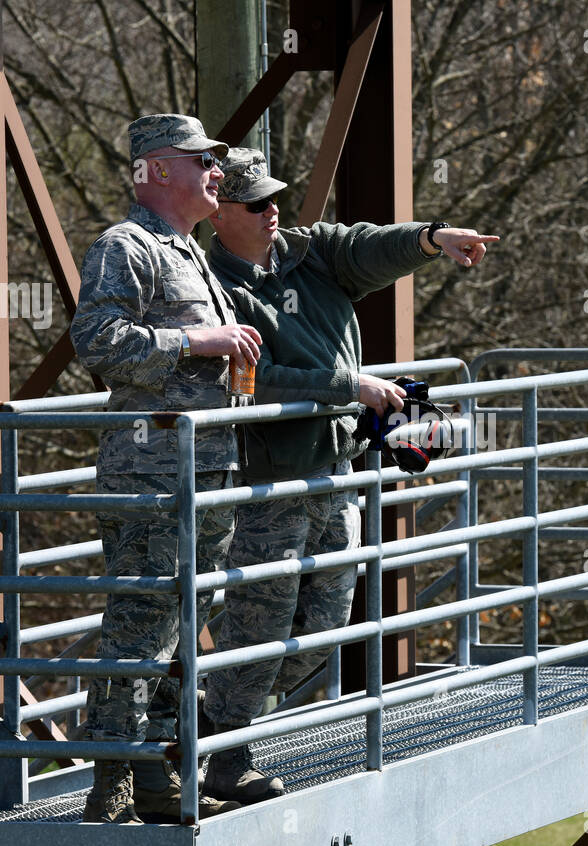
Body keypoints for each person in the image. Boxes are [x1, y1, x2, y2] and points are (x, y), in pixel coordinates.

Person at [200, 147, 498, 804]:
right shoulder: (211, 291)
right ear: (219, 214)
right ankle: (226, 755)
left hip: (335, 473)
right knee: (260, 621)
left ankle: (208, 713)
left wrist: (431, 238)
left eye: (276, 196)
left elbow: (367, 248)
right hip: (267, 485)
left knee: (329, 625)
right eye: (256, 202)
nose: (273, 209)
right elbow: (247, 383)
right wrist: (349, 385)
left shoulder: (310, 253)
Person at [69, 114, 263, 824]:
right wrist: (197, 339)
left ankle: (153, 771)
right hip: (150, 477)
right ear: (157, 169)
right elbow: (98, 341)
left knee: (183, 625)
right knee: (139, 626)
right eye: (201, 158)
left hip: (203, 473)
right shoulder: (126, 247)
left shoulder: (190, 252)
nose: (217, 170)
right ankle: (112, 781)